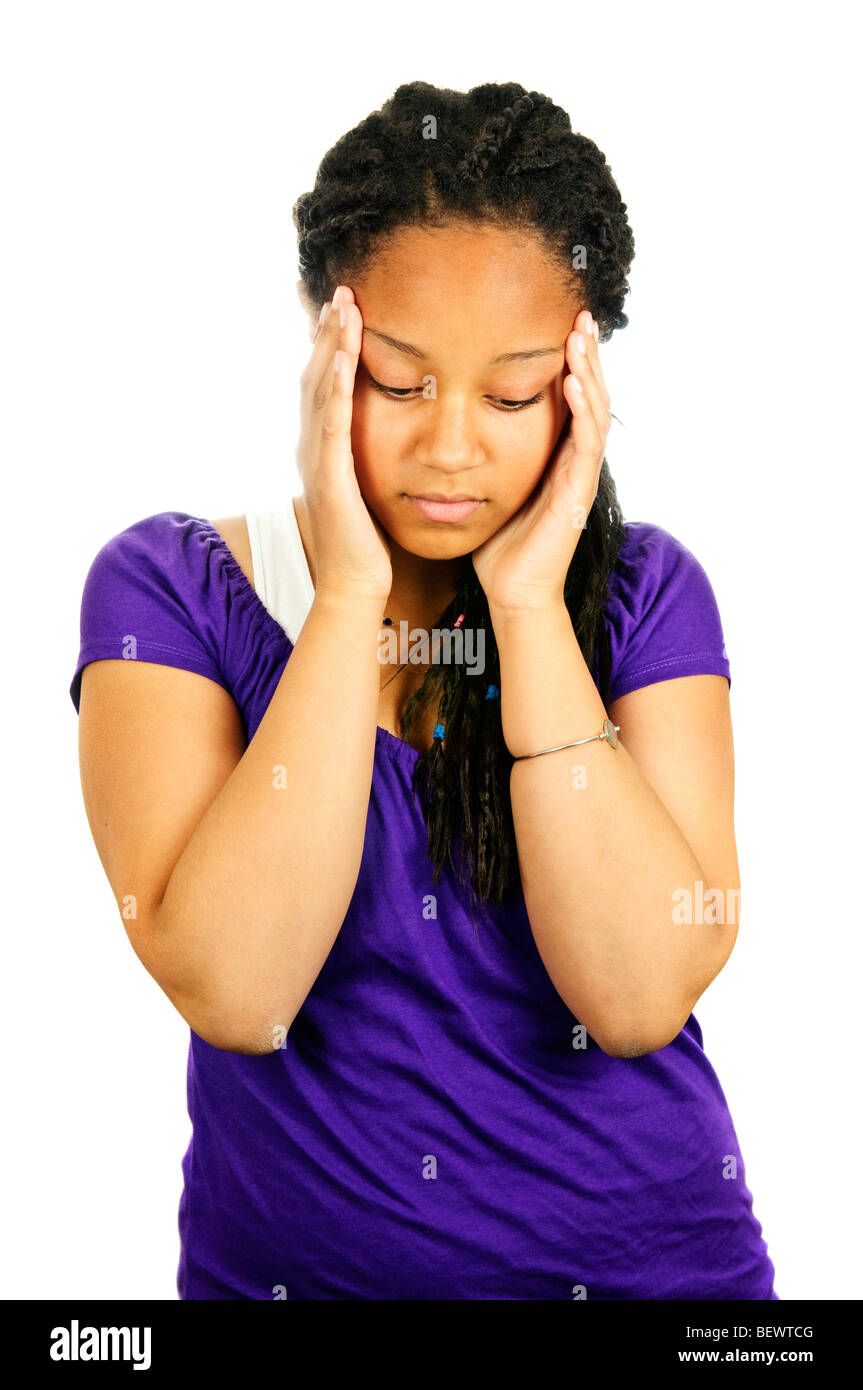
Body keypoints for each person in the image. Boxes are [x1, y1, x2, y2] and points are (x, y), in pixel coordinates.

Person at [69, 81, 778, 1300]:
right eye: (396, 383)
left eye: (510, 397)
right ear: (318, 330)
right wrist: (345, 599)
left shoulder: (645, 598)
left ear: (581, 374)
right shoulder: (167, 591)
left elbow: (634, 995)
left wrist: (525, 607)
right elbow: (239, 989)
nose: (451, 448)